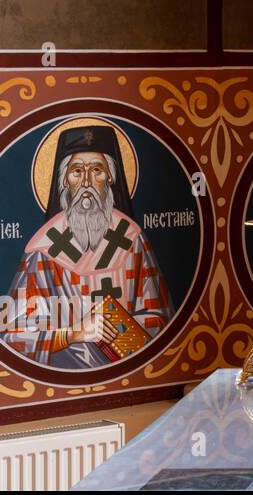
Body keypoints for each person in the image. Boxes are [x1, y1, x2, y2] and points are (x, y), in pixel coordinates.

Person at [4, 125, 173, 367]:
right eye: (76, 171)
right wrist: (72, 334)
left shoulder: (132, 240)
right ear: (64, 181)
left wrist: (116, 329)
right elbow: (13, 335)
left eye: (97, 170)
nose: (86, 182)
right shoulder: (43, 249)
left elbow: (161, 320)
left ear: (111, 178)